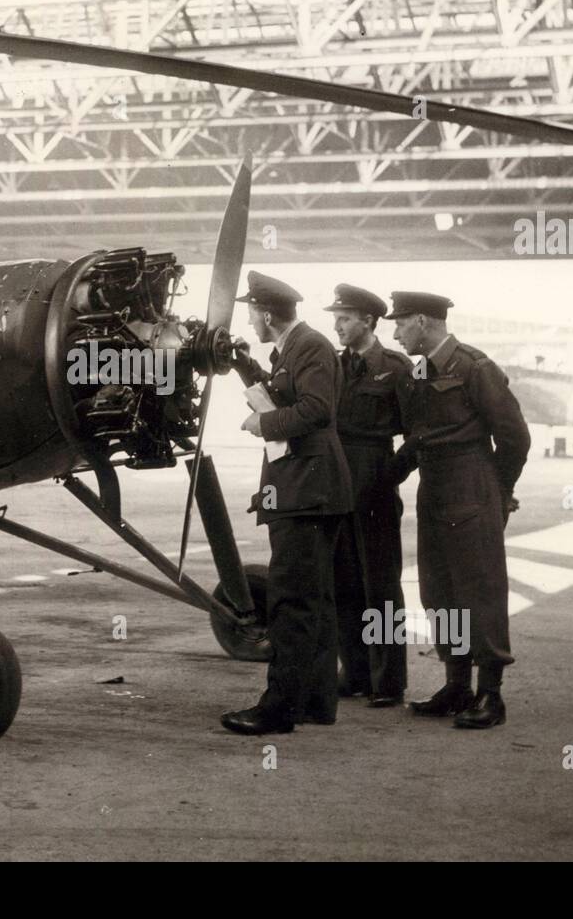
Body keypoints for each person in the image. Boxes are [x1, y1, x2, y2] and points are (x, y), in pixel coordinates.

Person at [386, 292, 531, 729]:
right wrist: (382, 479)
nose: (394, 332)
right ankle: (457, 686)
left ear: (424, 322)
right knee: (439, 591)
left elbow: (514, 438)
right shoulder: (418, 373)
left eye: (401, 324)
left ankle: (491, 696)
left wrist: (497, 492)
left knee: (481, 591)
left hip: (471, 483)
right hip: (433, 488)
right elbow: (418, 438)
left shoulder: (474, 367)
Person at [221, 271, 354, 735]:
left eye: (251, 312)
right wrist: (242, 365)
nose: (250, 320)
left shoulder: (311, 346)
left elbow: (317, 409)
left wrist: (265, 425)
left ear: (268, 313)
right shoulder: (294, 349)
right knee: (314, 599)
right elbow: (285, 392)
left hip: (307, 491)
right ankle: (316, 700)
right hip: (306, 488)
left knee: (291, 601)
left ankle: (278, 708)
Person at [325, 284, 413, 708]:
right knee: (343, 582)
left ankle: (388, 680)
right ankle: (355, 671)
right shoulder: (334, 366)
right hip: (337, 477)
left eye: (345, 318)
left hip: (374, 477)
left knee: (380, 585)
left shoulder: (395, 368)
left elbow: (418, 436)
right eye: (336, 317)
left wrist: (386, 476)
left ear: (368, 321)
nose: (337, 325)